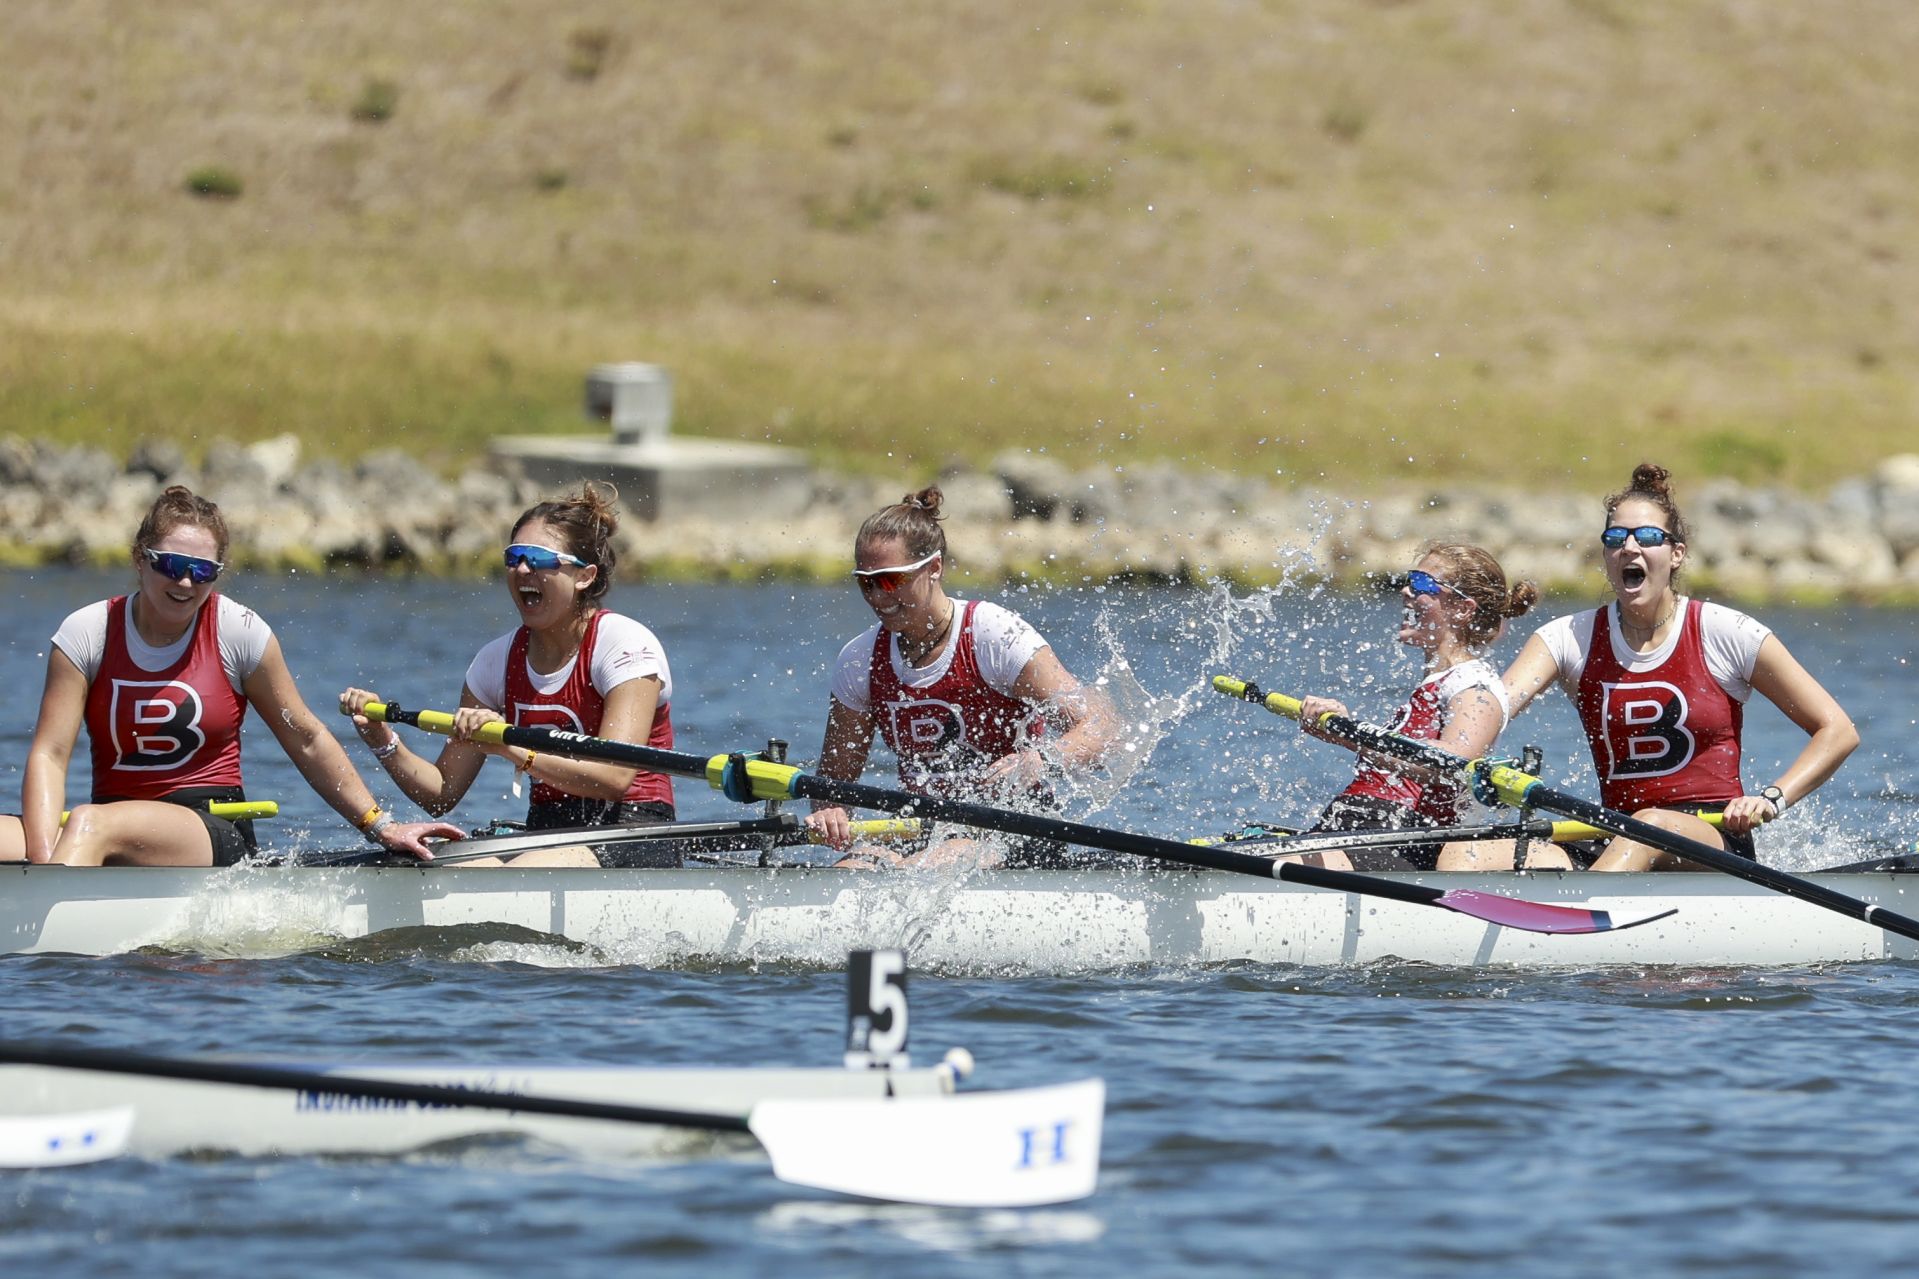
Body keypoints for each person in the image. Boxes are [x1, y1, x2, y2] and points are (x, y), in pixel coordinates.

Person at [0, 486, 459, 866]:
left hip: (210, 827)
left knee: (87, 823)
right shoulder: (87, 633)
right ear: (140, 559)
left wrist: (381, 826)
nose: (184, 584)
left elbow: (305, 737)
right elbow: (50, 755)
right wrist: (42, 858)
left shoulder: (238, 632)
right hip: (114, 823)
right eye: (171, 566)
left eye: (202, 572)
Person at [1482, 461, 1858, 872]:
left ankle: (1581, 923)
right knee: (1476, 853)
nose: (1629, 547)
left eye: (1647, 537)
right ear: (1606, 555)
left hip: (1714, 842)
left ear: (1676, 554)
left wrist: (1772, 798)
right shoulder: (1567, 638)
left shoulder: (1724, 631)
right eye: (1615, 538)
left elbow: (1837, 731)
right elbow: (1490, 712)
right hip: (1619, 836)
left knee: (1648, 826)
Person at [339, 482, 678, 867]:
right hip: (546, 831)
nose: (521, 569)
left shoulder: (623, 644)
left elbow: (613, 780)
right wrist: (383, 740)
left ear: (584, 576)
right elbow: (442, 792)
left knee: (521, 870)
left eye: (539, 558)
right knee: (445, 869)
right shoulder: (494, 661)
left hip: (635, 830)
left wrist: (508, 747)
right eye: (514, 556)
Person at [802, 486, 1119, 867]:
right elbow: (833, 785)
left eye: (889, 580)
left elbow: (1101, 723)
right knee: (851, 869)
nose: (877, 597)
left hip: (1016, 827)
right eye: (865, 582)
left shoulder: (993, 635)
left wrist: (1045, 758)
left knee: (940, 861)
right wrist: (830, 813)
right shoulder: (858, 661)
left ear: (934, 568)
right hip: (926, 827)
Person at [1266, 543, 1541, 872]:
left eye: (1422, 584)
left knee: (1260, 866)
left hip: (1402, 839)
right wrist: (1343, 727)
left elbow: (1454, 761)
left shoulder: (1474, 684)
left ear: (1462, 609)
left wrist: (1351, 737)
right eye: (1410, 579)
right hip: (1364, 828)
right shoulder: (1439, 680)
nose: (1405, 591)